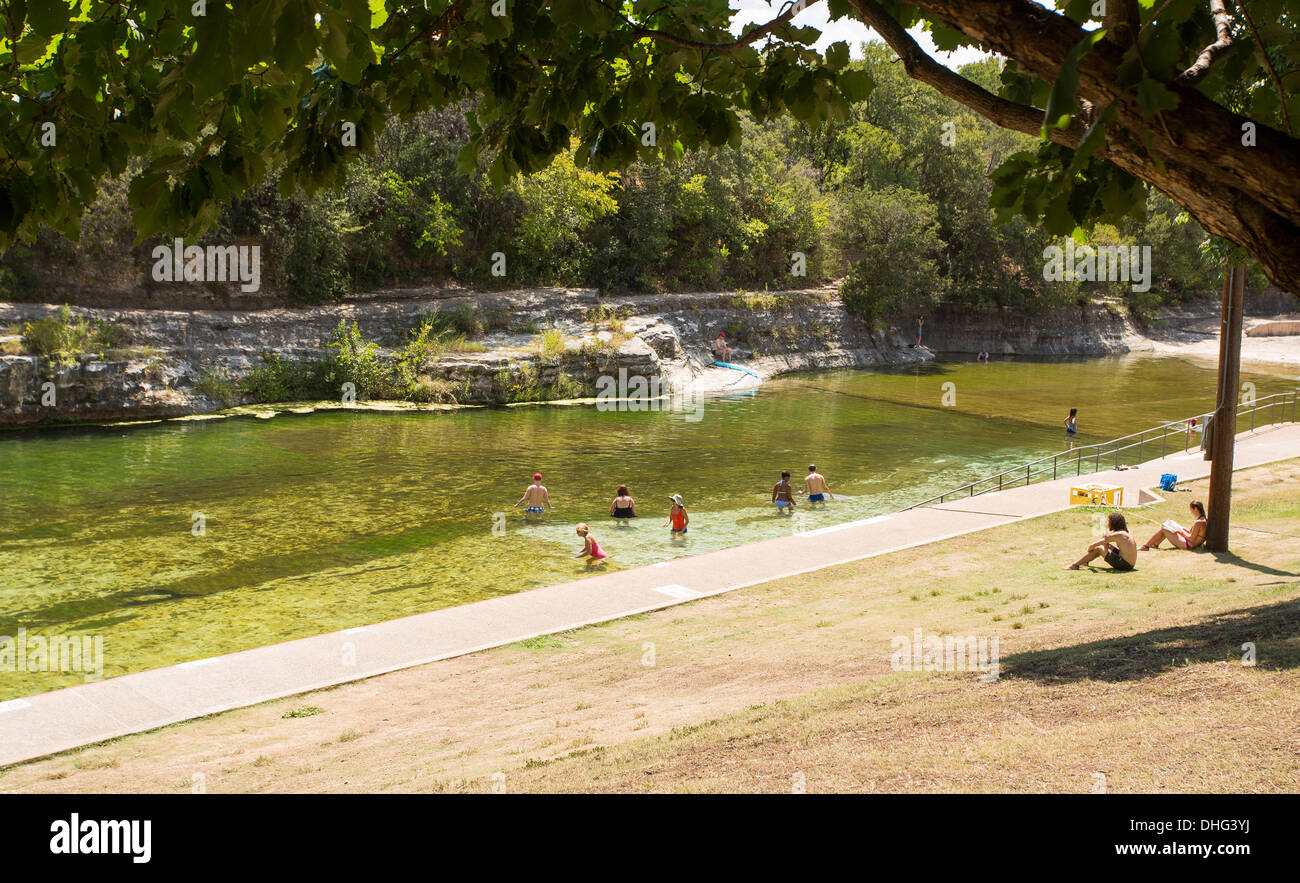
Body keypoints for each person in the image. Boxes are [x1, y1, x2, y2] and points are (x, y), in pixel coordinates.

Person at [1065, 512, 1138, 571]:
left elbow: (1092, 546)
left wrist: (1104, 537)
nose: (1108, 523)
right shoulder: (1127, 532)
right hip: (1130, 564)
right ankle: (1085, 562)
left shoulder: (1119, 534)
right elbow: (1108, 540)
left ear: (1113, 523)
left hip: (1125, 565)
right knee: (1108, 546)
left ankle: (1074, 565)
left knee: (1099, 548)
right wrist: (1106, 539)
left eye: (1109, 522)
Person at [1141, 500, 1208, 551]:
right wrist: (1183, 529)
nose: (1191, 512)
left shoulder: (1199, 522)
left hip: (1189, 545)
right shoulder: (1204, 519)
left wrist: (1181, 532)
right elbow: (1195, 535)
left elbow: (1192, 538)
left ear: (1195, 509)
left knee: (1164, 528)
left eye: (1191, 510)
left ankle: (1146, 546)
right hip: (1192, 544)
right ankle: (1154, 544)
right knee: (1168, 527)